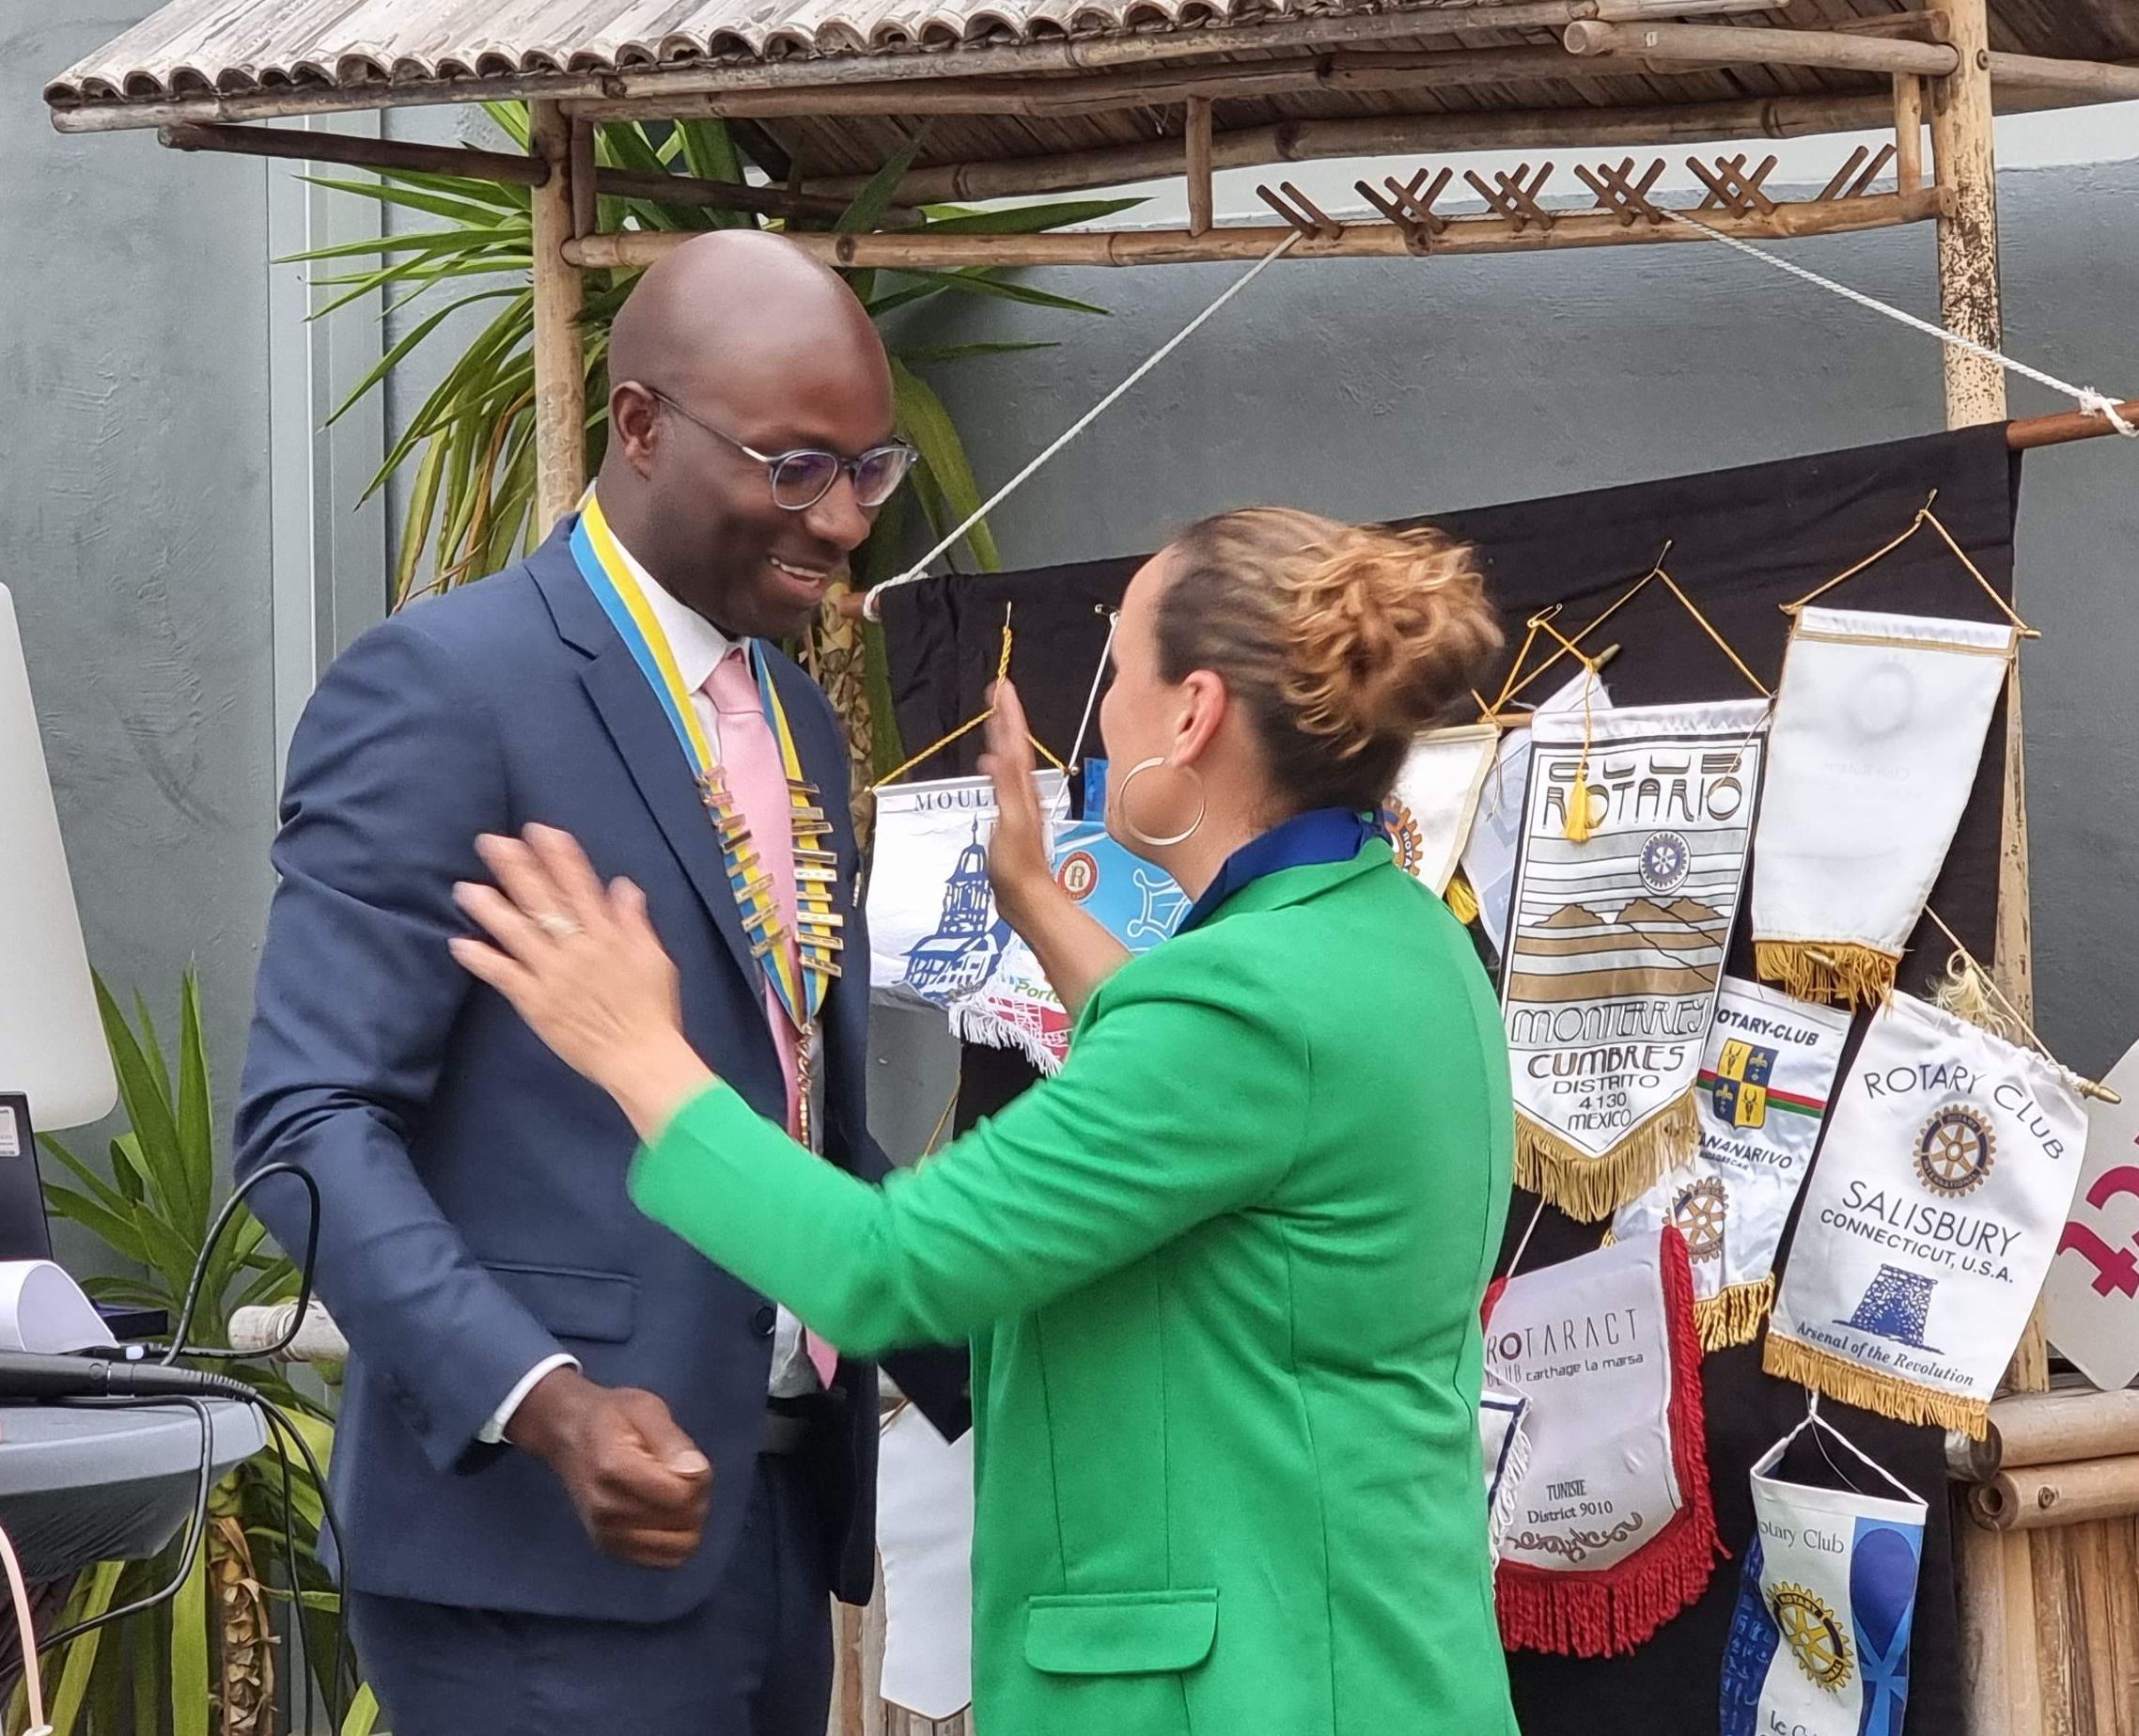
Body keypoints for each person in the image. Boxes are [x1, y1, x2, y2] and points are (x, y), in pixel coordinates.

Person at [451, 507, 1522, 1735]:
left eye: (1119, 669)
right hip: (1376, 1662)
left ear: (1194, 713)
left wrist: (635, 1050)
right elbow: (1212, 1114)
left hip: (1241, 1691)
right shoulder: (1404, 943)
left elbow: (881, 1268)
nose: (1100, 711)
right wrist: (1031, 899)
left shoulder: (1243, 1003)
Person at [235, 230, 961, 1736]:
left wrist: (1016, 1358)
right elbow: (306, 1125)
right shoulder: (446, 688)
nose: (845, 522)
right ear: (638, 426)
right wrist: (544, 1398)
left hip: (769, 1521)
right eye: (798, 468)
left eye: (871, 472)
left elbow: (798, 1125)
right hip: (532, 1558)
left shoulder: (799, 723)